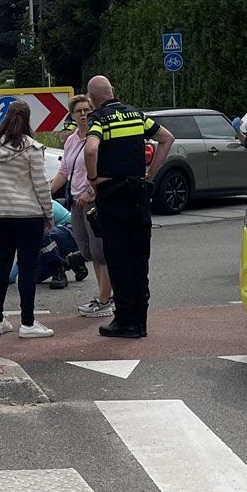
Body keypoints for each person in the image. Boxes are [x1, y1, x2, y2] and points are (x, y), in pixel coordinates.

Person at [84, 75, 174, 339]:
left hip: (113, 194)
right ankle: (141, 321)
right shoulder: (136, 115)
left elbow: (91, 150)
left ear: (92, 98)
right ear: (113, 91)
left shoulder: (99, 118)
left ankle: (124, 321)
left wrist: (93, 180)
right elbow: (167, 138)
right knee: (139, 259)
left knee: (118, 258)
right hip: (138, 192)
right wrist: (149, 173)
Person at [0, 102, 56, 339]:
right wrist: (48, 214)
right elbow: (40, 185)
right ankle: (27, 322)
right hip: (27, 214)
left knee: (2, 265)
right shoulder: (33, 148)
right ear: (28, 119)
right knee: (26, 267)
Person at [51, 96, 114, 318]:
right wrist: (47, 192)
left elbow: (106, 168)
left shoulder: (97, 137)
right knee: (86, 251)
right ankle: (103, 296)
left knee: (99, 252)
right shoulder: (71, 141)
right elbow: (64, 171)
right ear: (73, 115)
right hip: (75, 202)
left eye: (88, 109)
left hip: (93, 202)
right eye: (79, 111)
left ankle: (106, 299)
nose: (84, 114)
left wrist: (92, 190)